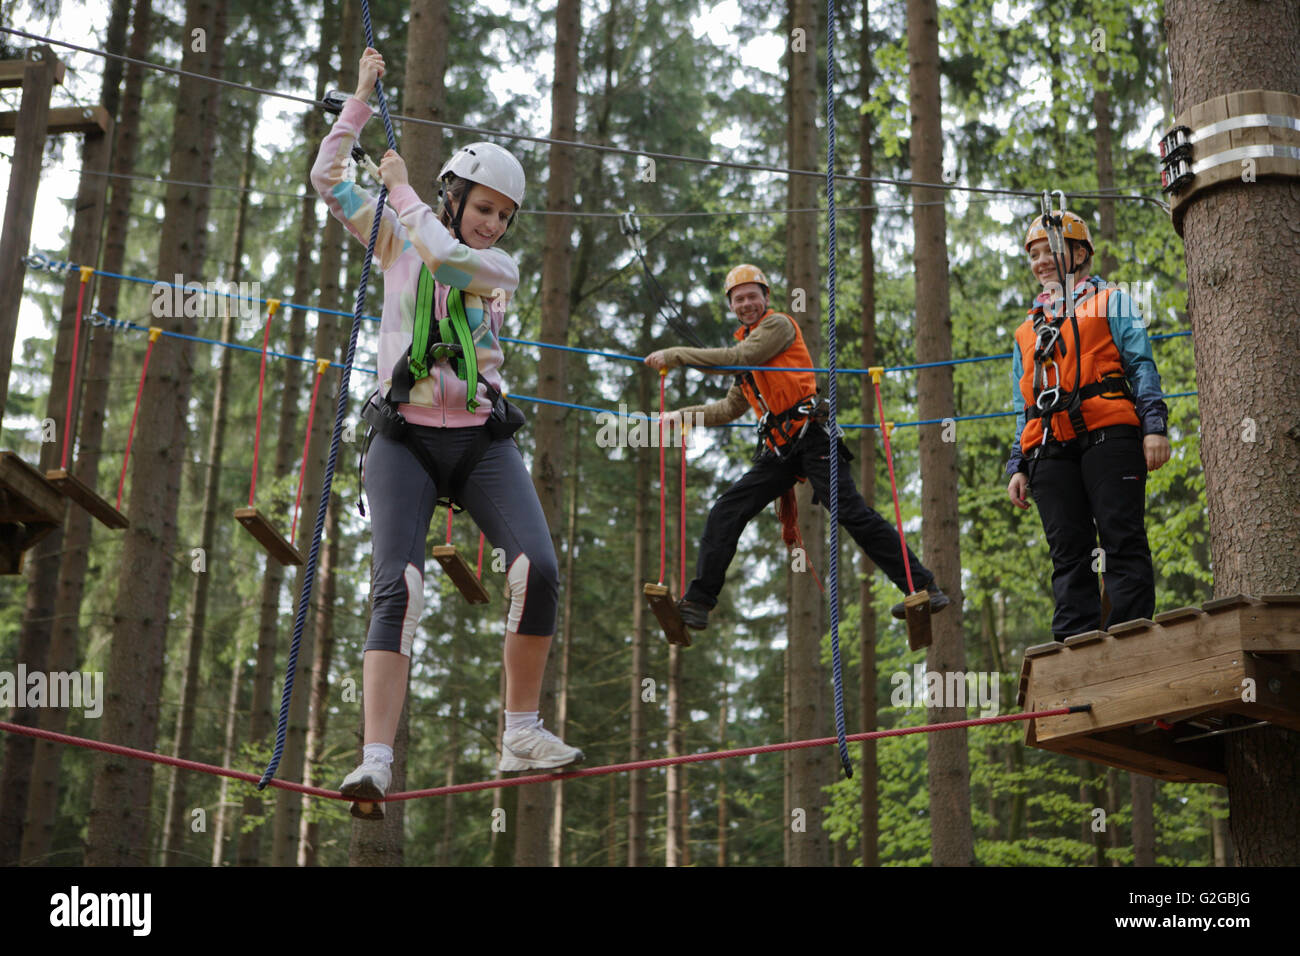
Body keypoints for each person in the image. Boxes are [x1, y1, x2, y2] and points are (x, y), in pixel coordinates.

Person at [312, 47, 581, 812]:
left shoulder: (495, 269)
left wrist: (401, 190)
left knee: (539, 568)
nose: (493, 223)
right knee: (397, 584)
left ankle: (520, 730)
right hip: (403, 440)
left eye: (503, 214)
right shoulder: (394, 237)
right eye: (483, 207)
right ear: (456, 196)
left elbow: (447, 256)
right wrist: (359, 101)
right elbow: (328, 181)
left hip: (480, 439)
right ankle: (375, 758)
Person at [644, 264, 949, 631]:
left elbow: (740, 358)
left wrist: (677, 355)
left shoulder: (777, 327)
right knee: (727, 510)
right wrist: (682, 416)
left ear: (766, 298)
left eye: (752, 296)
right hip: (781, 448)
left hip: (814, 434)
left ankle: (923, 586)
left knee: (851, 512)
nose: (746, 304)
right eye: (738, 299)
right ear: (732, 306)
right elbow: (728, 408)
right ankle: (698, 601)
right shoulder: (748, 347)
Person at [1005, 210, 1171, 640]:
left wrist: (1154, 426)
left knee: (1122, 540)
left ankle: (1129, 640)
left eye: (1050, 251)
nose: (1040, 261)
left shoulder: (1112, 301)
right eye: (1034, 255)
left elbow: (1141, 365)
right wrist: (1017, 465)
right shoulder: (1027, 331)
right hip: (1048, 449)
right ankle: (1074, 649)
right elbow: (1024, 406)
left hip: (1110, 436)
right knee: (1068, 555)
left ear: (1078, 253)